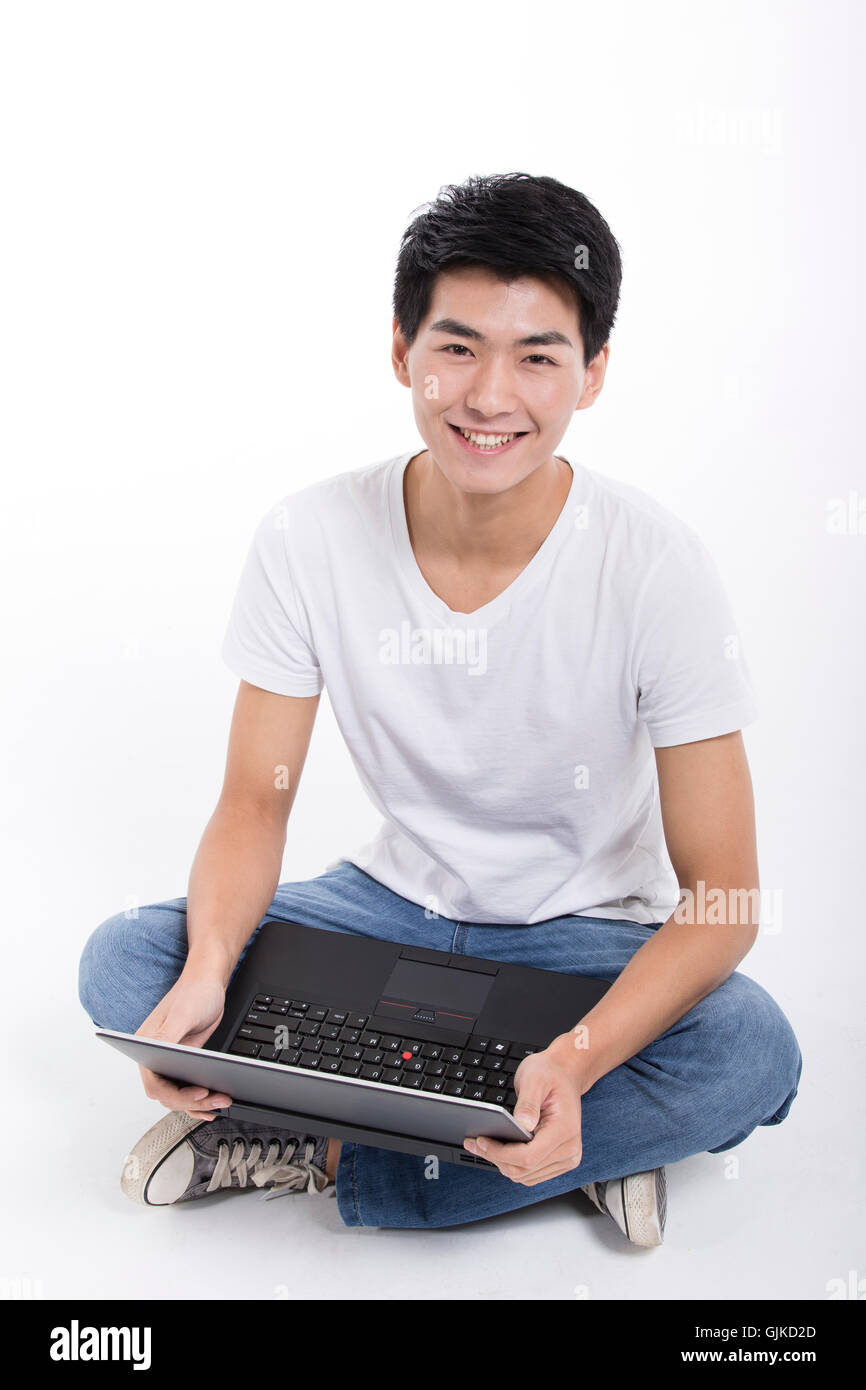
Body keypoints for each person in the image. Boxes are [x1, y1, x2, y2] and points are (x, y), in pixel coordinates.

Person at [78, 172, 801, 1245]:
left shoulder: (656, 567)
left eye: (537, 357)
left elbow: (724, 899)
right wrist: (206, 972)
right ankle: (567, 1155)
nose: (488, 395)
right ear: (400, 350)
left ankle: (334, 1154)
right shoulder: (309, 537)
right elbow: (251, 804)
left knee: (749, 1049)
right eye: (456, 347)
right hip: (389, 914)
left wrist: (580, 1055)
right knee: (127, 962)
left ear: (592, 374)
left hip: (581, 942)